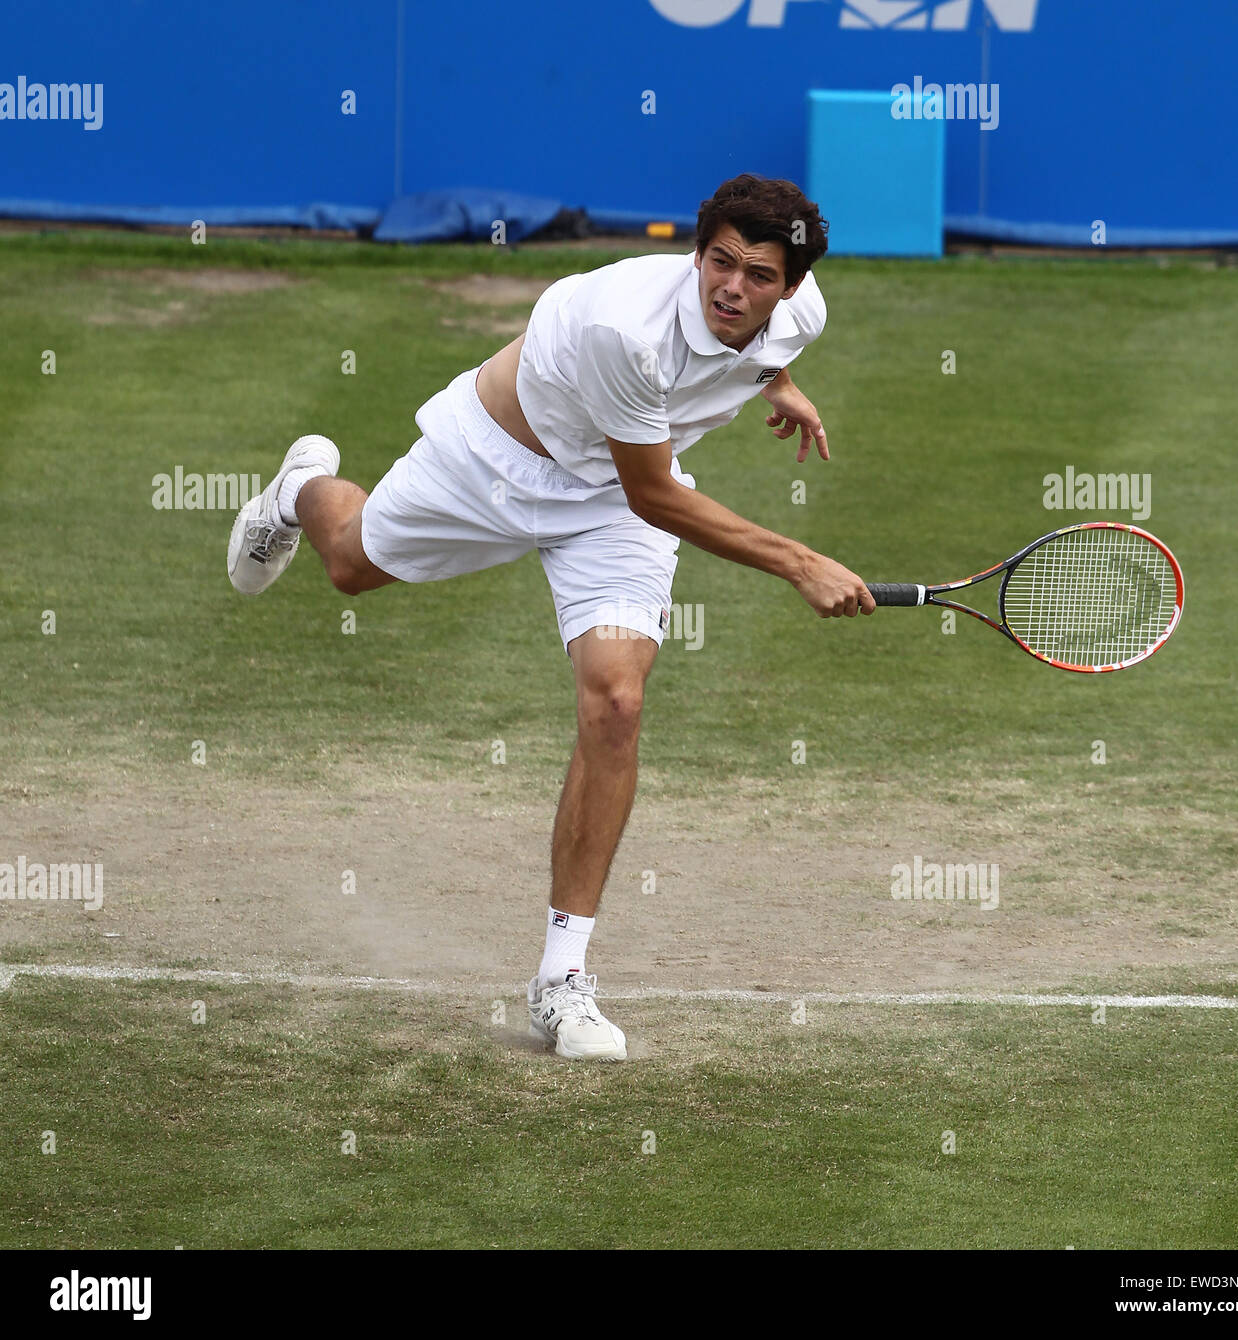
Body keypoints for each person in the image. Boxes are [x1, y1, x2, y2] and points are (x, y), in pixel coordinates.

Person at [227, 173, 874, 1061]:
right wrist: (799, 560)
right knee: (348, 566)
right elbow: (658, 495)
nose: (733, 287)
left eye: (759, 275)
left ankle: (560, 979)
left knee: (617, 702)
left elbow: (746, 355)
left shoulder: (798, 313)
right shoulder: (624, 327)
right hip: (493, 461)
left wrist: (776, 383)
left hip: (607, 502)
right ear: (696, 253)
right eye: (719, 262)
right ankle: (300, 486)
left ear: (791, 287)